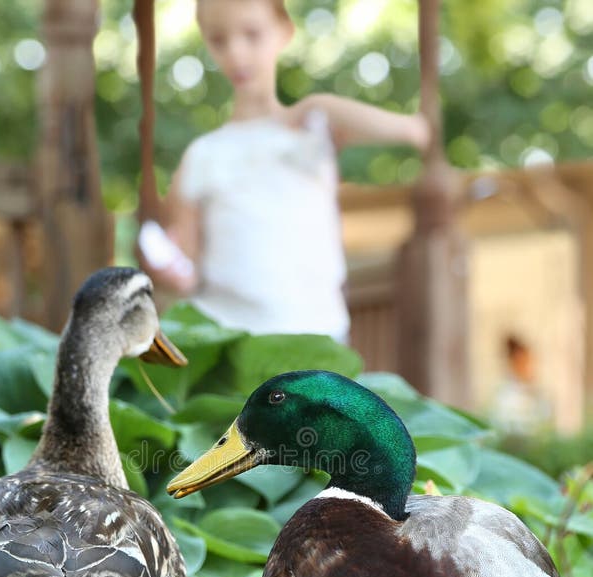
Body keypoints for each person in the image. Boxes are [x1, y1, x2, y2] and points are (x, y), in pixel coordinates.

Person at [140, 0, 430, 342]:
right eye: (219, 40)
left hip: (318, 333)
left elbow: (413, 132)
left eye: (252, 34)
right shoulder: (202, 155)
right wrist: (171, 272)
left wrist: (317, 106)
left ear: (284, 31)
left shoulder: (315, 129)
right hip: (231, 339)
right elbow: (189, 265)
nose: (236, 53)